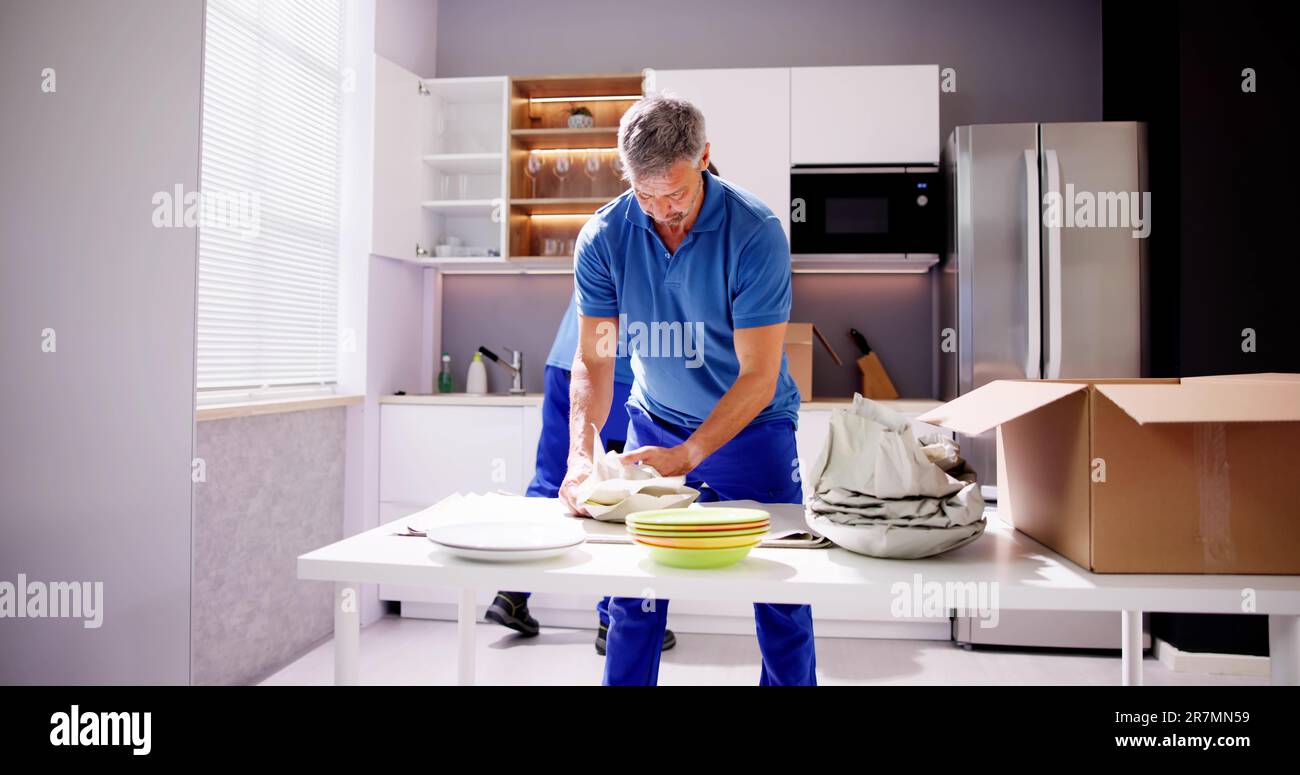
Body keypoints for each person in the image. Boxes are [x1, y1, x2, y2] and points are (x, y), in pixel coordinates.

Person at [560, 94, 815, 685]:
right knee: (636, 595)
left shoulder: (757, 234)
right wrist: (581, 452)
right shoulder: (604, 236)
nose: (663, 211)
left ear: (705, 158)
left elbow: (758, 375)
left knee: (781, 593)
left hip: (755, 431)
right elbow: (595, 359)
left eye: (675, 193)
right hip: (655, 423)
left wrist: (692, 454)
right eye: (645, 195)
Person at [485, 158, 718, 652]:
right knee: (621, 491)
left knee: (555, 479)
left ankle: (511, 591)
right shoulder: (663, 237)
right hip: (618, 374)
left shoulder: (613, 227)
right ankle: (612, 617)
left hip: (564, 365)